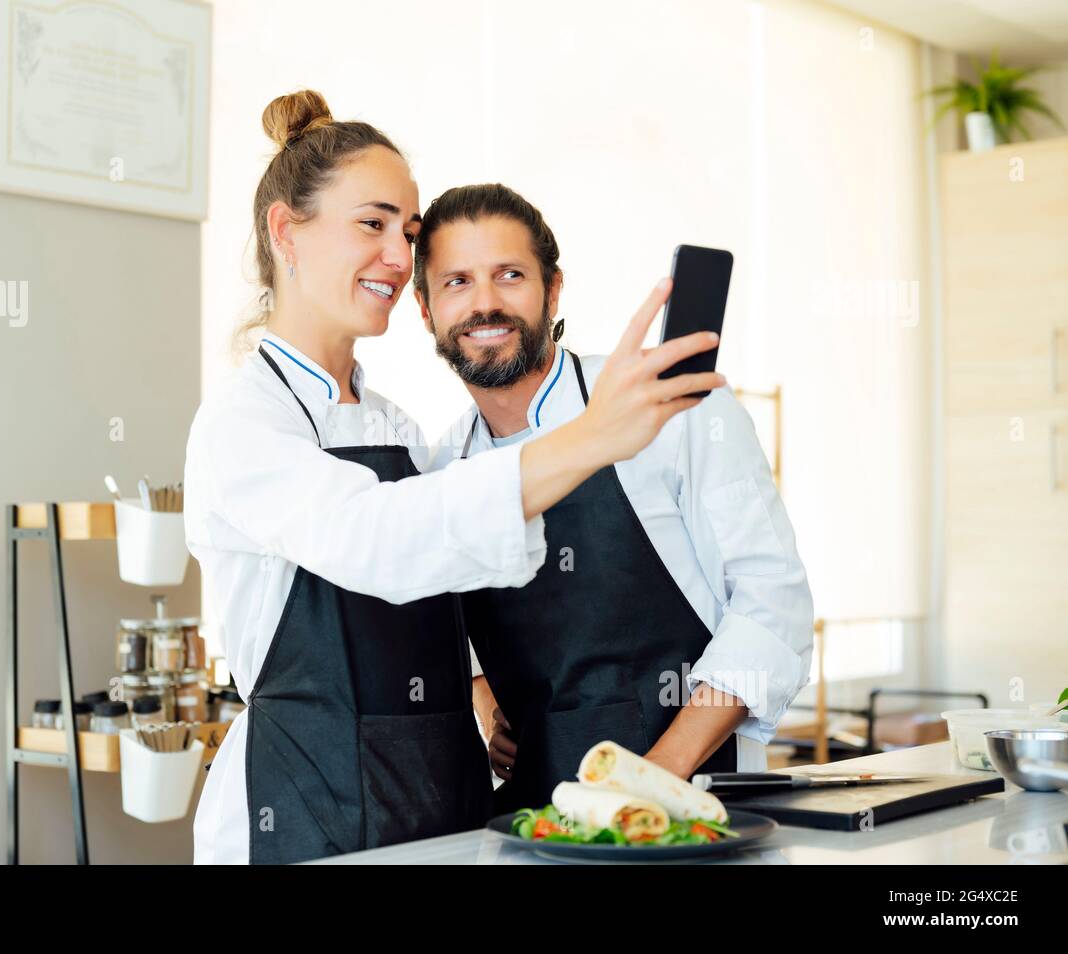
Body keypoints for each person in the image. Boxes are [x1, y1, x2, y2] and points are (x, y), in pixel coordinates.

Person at [183, 92, 725, 864]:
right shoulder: (245, 424)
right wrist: (591, 437)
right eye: (372, 225)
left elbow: (446, 581)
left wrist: (477, 687)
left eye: (407, 232)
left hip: (442, 806)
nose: (401, 260)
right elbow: (377, 539)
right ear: (286, 231)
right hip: (303, 809)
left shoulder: (396, 428)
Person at [415, 183, 814, 813]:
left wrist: (657, 777)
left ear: (552, 289)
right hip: (536, 823)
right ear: (425, 307)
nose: (484, 303)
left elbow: (773, 607)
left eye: (510, 274)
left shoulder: (671, 405)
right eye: (457, 281)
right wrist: (488, 702)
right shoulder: (441, 471)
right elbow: (450, 636)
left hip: (694, 809)